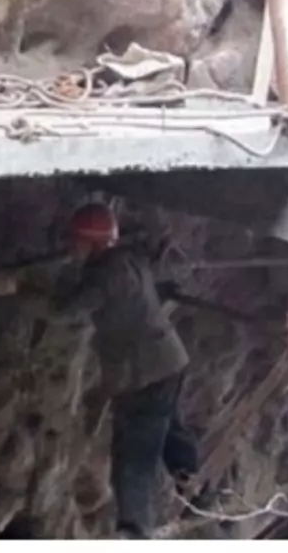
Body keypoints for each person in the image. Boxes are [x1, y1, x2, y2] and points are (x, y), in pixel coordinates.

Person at [64, 203, 201, 538]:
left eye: (77, 241)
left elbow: (64, 310)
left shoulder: (104, 275)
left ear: (91, 243)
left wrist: (19, 290)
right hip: (169, 360)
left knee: (133, 453)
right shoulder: (130, 257)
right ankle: (196, 485)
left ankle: (134, 530)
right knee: (168, 428)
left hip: (142, 374)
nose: (72, 247)